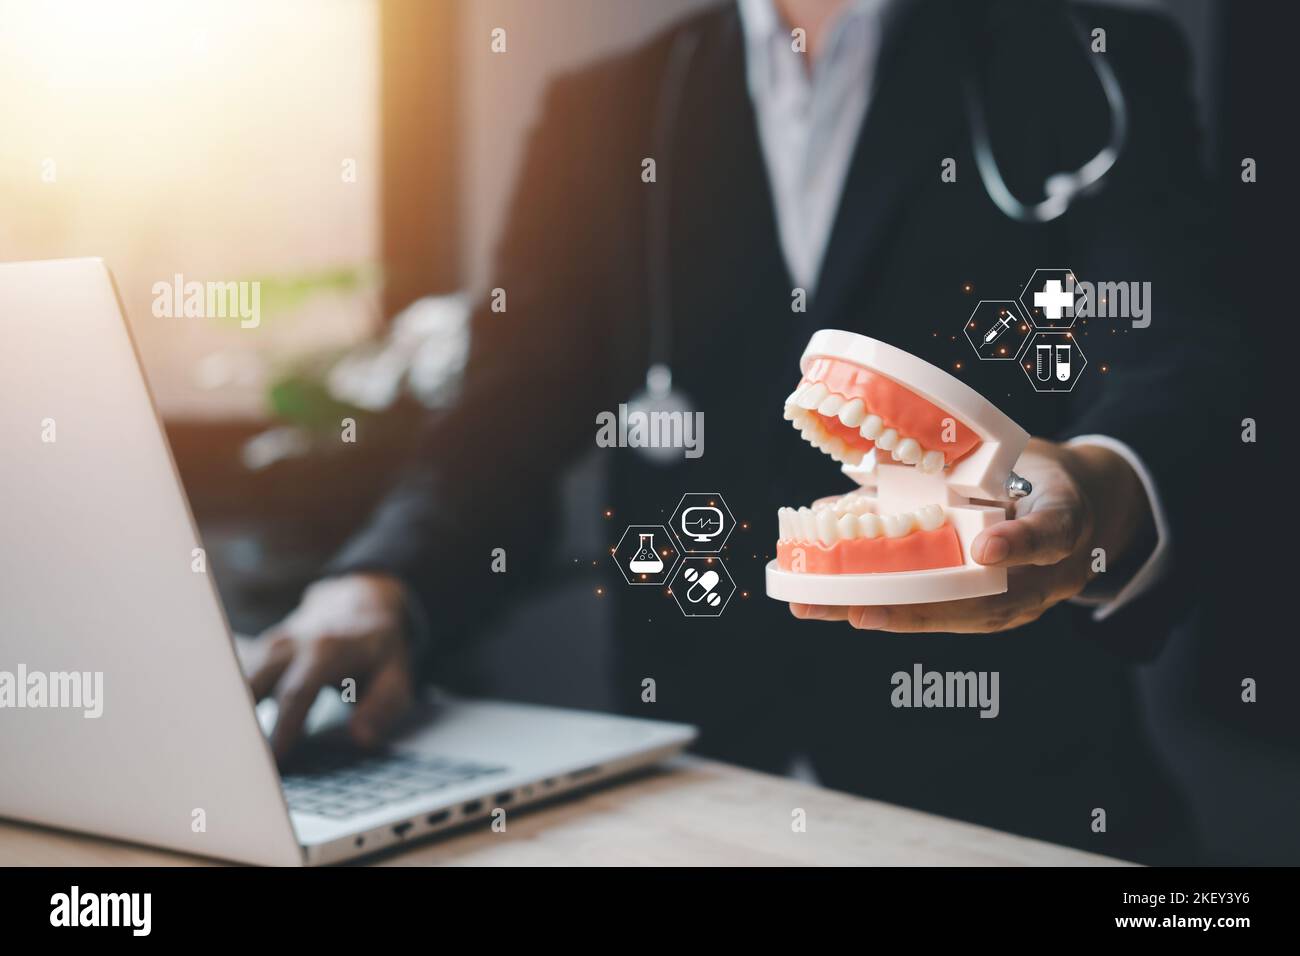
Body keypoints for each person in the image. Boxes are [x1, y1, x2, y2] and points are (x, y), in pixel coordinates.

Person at [245, 0, 1240, 863]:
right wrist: (377, 581)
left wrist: (1101, 486)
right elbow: (499, 422)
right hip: (700, 798)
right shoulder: (606, 111)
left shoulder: (1088, 64)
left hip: (1009, 803)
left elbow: (1173, 348)